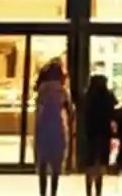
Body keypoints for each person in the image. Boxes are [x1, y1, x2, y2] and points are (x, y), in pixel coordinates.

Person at [34, 59, 72, 196]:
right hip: (57, 126)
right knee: (56, 163)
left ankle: (42, 192)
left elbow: (38, 107)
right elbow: (69, 111)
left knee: (42, 163)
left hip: (43, 125)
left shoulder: (42, 89)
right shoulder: (62, 91)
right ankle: (53, 192)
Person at [79, 74, 117, 196]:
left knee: (89, 164)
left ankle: (88, 191)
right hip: (104, 133)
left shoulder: (87, 96)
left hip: (89, 133)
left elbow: (83, 113)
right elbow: (113, 111)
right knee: (100, 164)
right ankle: (98, 191)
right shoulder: (107, 96)